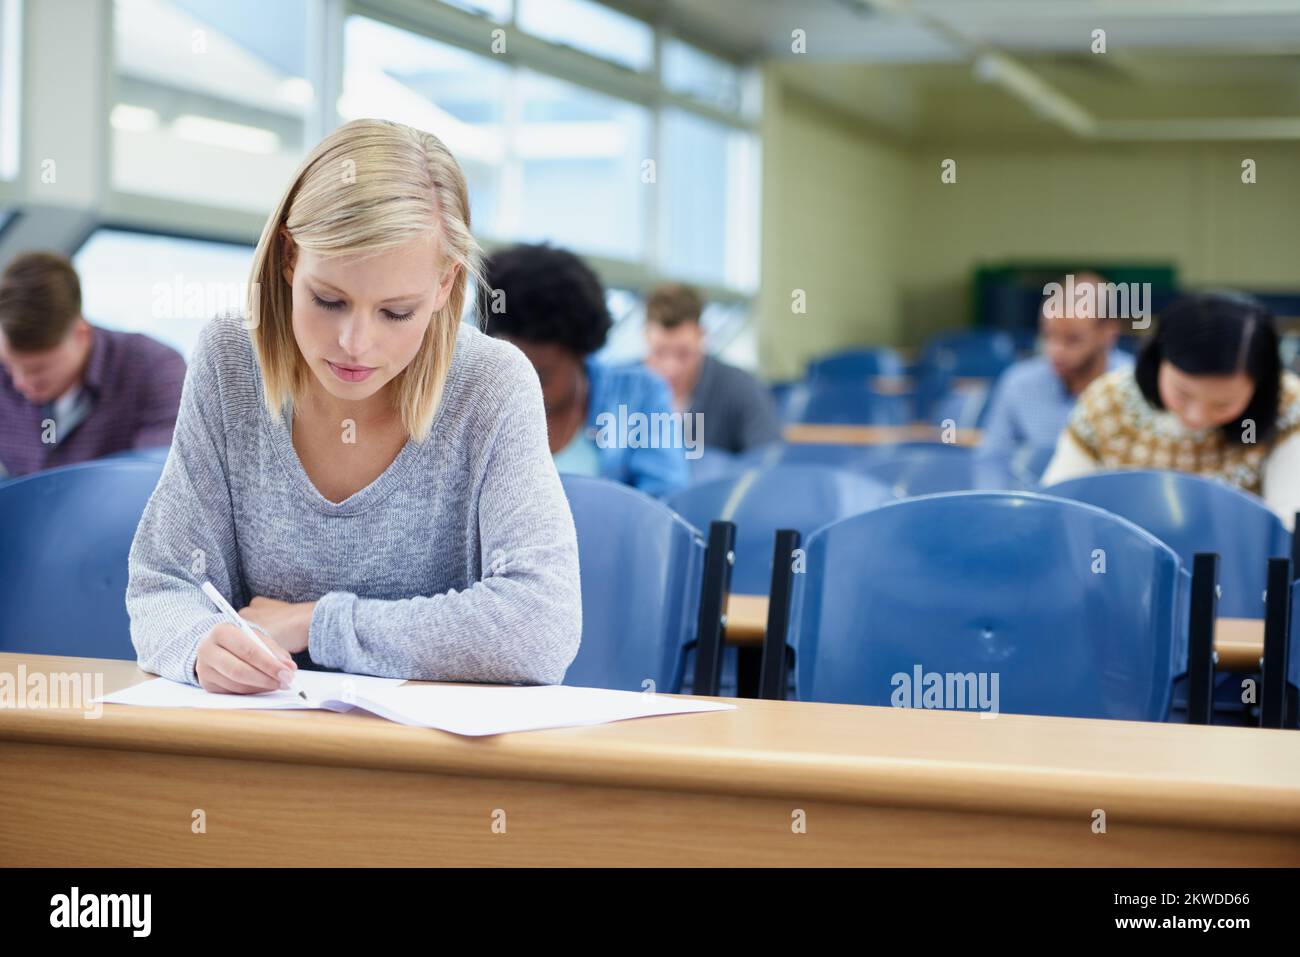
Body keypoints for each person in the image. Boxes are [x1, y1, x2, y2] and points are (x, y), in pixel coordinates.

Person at [126, 119, 581, 694]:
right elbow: (164, 582)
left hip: (432, 766)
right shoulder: (228, 360)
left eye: (396, 312)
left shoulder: (492, 385)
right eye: (329, 300)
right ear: (290, 257)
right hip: (257, 748)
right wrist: (197, 644)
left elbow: (540, 626)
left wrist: (317, 623)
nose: (355, 344)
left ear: (445, 287)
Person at [1042, 291, 1300, 526]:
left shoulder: (1287, 406)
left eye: (1223, 404)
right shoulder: (1108, 402)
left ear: (1260, 387)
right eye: (1182, 394)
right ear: (1158, 361)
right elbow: (1055, 508)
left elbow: (1290, 524)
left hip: (1245, 571)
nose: (1195, 416)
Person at [483, 243, 688, 498]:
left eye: (541, 376)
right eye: (511, 373)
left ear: (582, 352)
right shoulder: (476, 401)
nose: (525, 388)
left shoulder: (638, 396)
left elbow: (665, 506)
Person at [0, 251, 185, 478]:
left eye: (38, 371)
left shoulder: (154, 369)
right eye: (9, 367)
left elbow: (160, 481)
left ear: (81, 335)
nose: (20, 383)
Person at [980, 272, 1132, 459]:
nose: (1055, 351)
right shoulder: (1018, 384)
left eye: (1072, 340)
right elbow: (992, 462)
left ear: (1108, 332)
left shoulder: (1139, 387)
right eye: (1048, 336)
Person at [643, 282, 780, 454]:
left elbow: (767, 462)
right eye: (660, 352)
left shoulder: (742, 389)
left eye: (683, 354)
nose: (672, 368)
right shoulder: (621, 389)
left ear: (701, 336)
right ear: (645, 336)